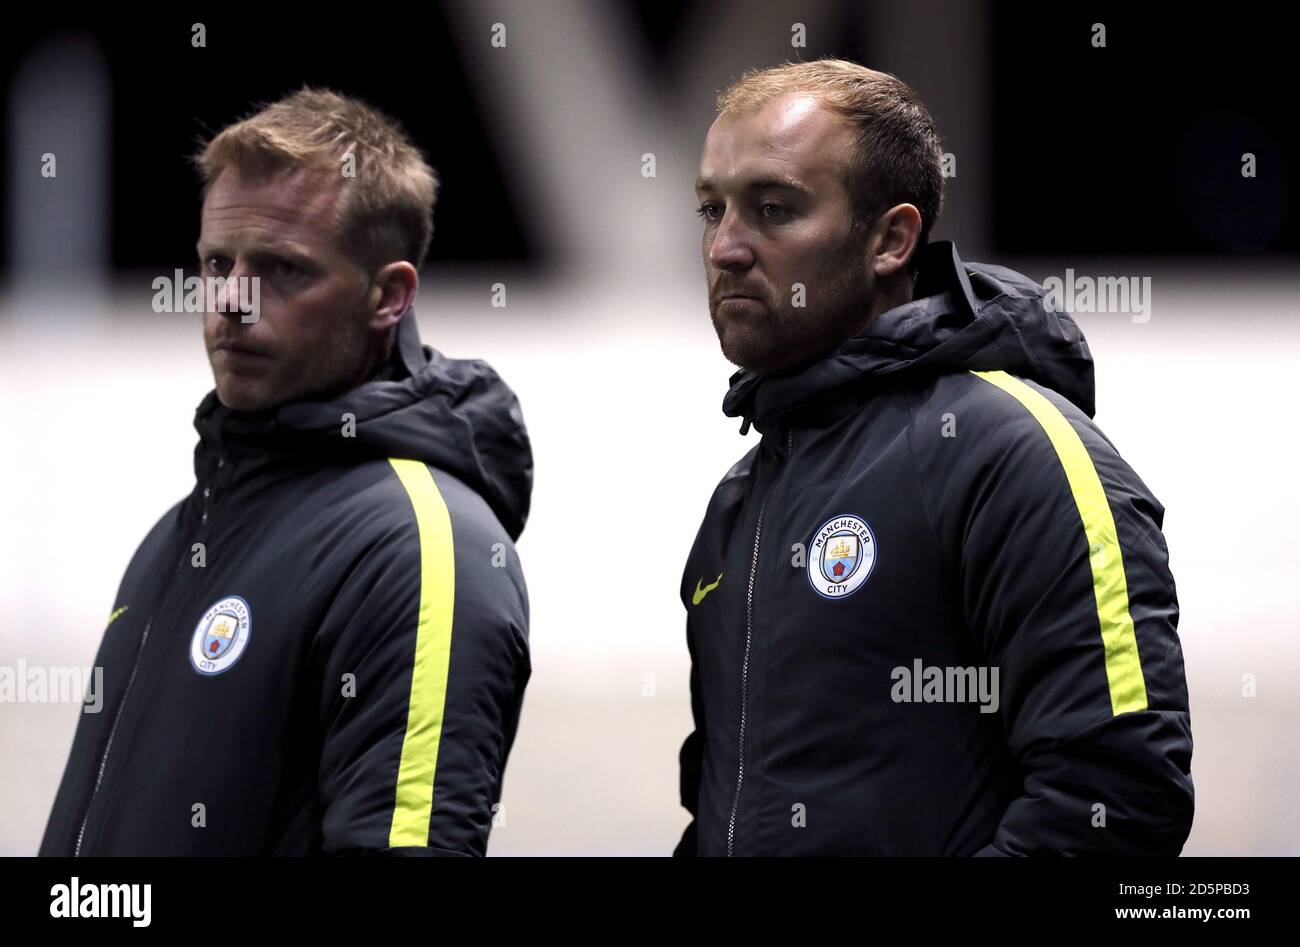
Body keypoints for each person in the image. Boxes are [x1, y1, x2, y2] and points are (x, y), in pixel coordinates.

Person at [675, 59, 1193, 856]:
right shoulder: (742, 499)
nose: (725, 248)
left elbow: (1116, 799)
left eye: (773, 209)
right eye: (712, 210)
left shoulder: (1019, 455)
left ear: (891, 239)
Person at [40, 88, 533, 856]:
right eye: (215, 263)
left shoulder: (422, 548)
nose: (231, 300)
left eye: (281, 270)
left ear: (389, 295)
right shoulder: (183, 532)